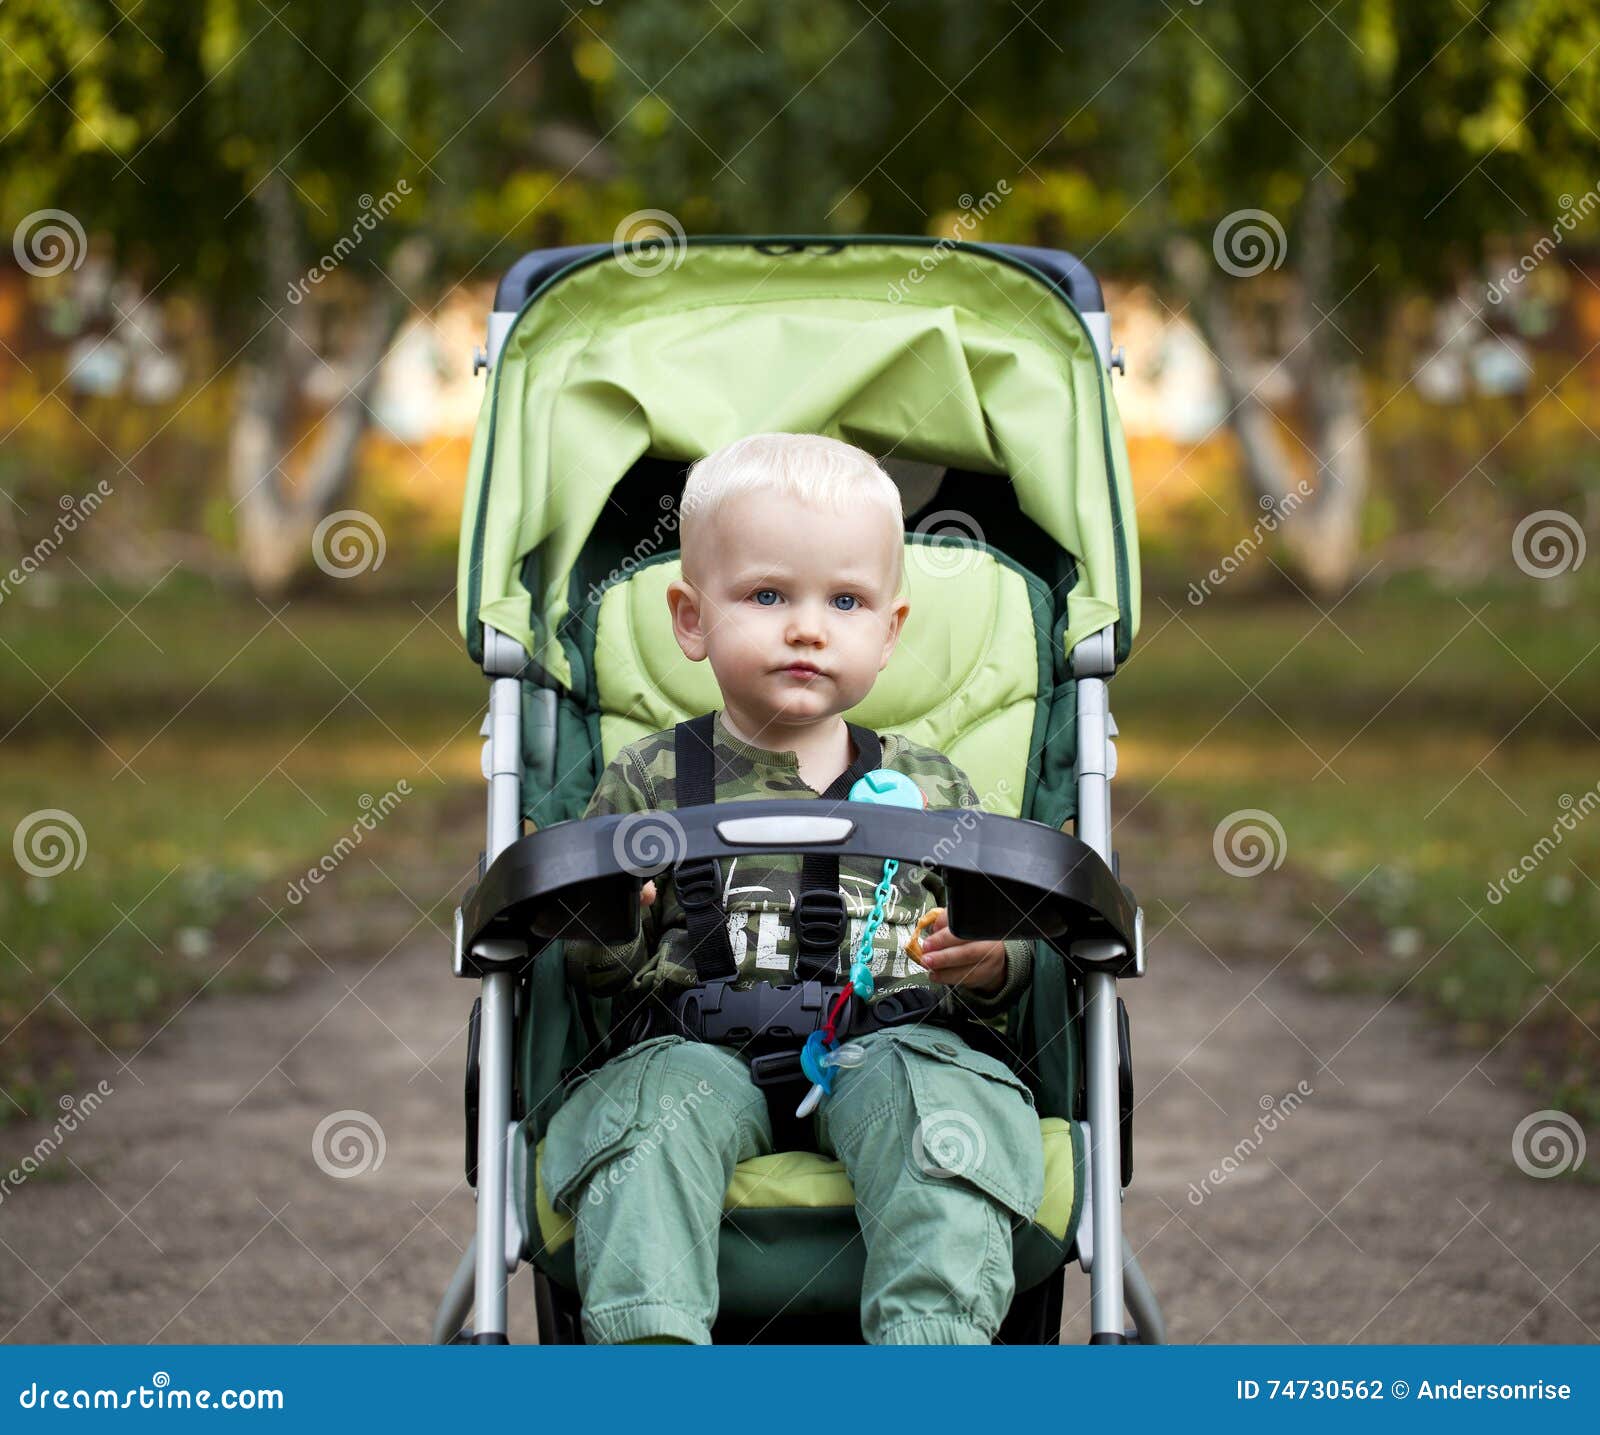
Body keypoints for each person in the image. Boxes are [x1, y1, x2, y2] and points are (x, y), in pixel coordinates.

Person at [542, 432, 1045, 1345]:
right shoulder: (645, 778)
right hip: (694, 1047)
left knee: (943, 1111)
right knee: (646, 1118)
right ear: (691, 620)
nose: (807, 627)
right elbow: (591, 970)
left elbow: (1010, 942)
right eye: (767, 595)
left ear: (888, 632)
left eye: (845, 600)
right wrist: (615, 921)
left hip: (894, 1041)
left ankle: (932, 1353)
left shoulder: (937, 788)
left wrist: (991, 962)